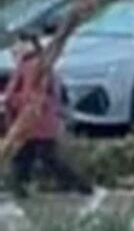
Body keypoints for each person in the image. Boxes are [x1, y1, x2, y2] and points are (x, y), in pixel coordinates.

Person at [3, 33, 92, 200]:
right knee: (29, 157)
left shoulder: (32, 66)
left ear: (29, 45)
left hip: (35, 122)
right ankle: (19, 187)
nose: (14, 48)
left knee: (42, 157)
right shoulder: (32, 64)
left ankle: (81, 186)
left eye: (18, 44)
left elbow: (32, 95)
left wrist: (11, 100)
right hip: (38, 122)